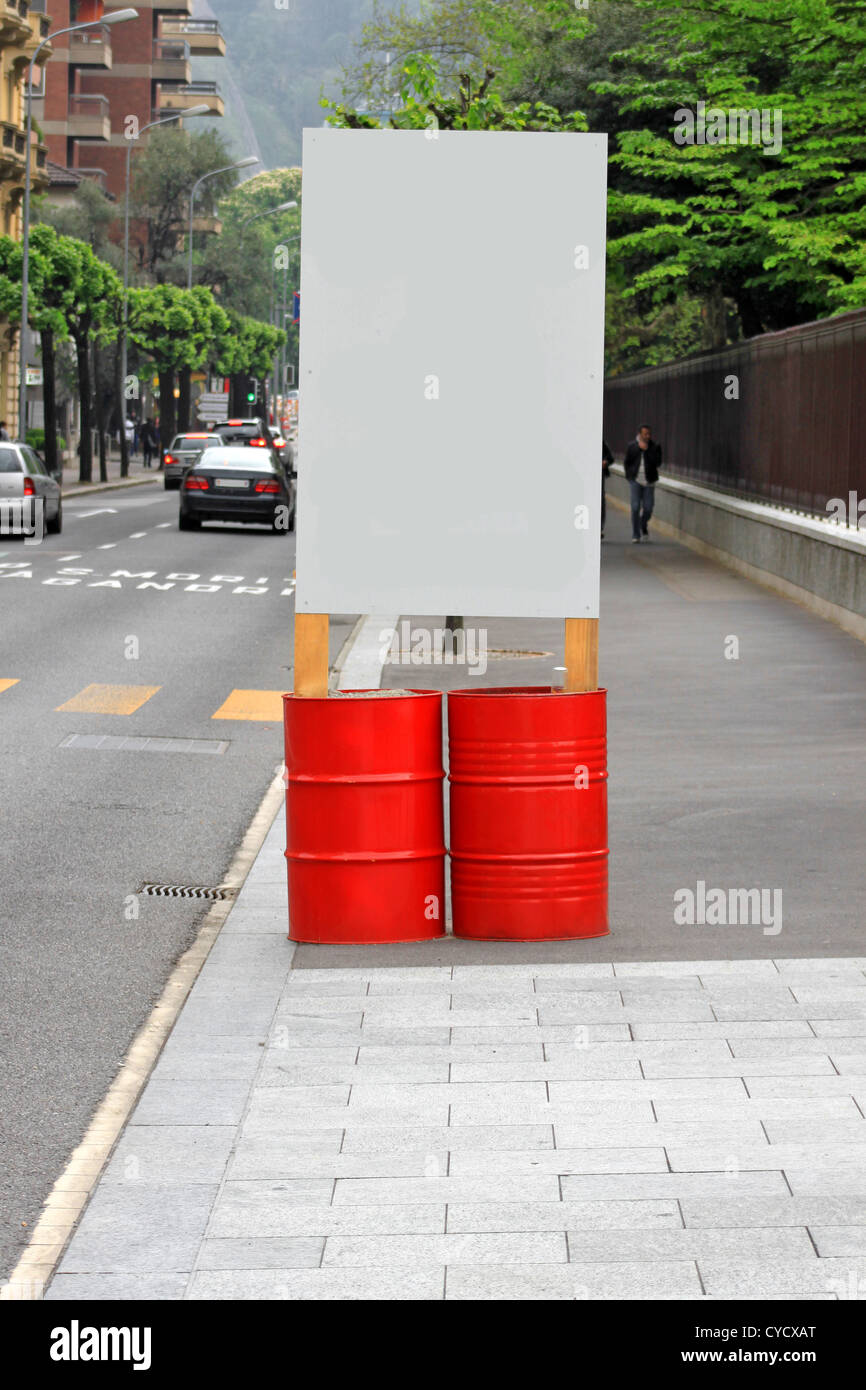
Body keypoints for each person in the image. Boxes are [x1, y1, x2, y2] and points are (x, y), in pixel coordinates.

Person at [623, 423, 662, 543]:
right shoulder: (632, 446)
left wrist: (647, 450)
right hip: (635, 481)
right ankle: (636, 534)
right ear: (640, 434)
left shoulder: (655, 446)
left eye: (649, 434)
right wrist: (630, 477)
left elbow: (658, 463)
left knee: (648, 508)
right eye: (645, 434)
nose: (648, 436)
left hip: (649, 482)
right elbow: (627, 463)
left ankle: (642, 524)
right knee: (635, 507)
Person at [601, 440, 613, 539]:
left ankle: (599, 528)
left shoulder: (601, 442)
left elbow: (610, 458)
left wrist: (605, 461)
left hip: (599, 476)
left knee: (600, 502)